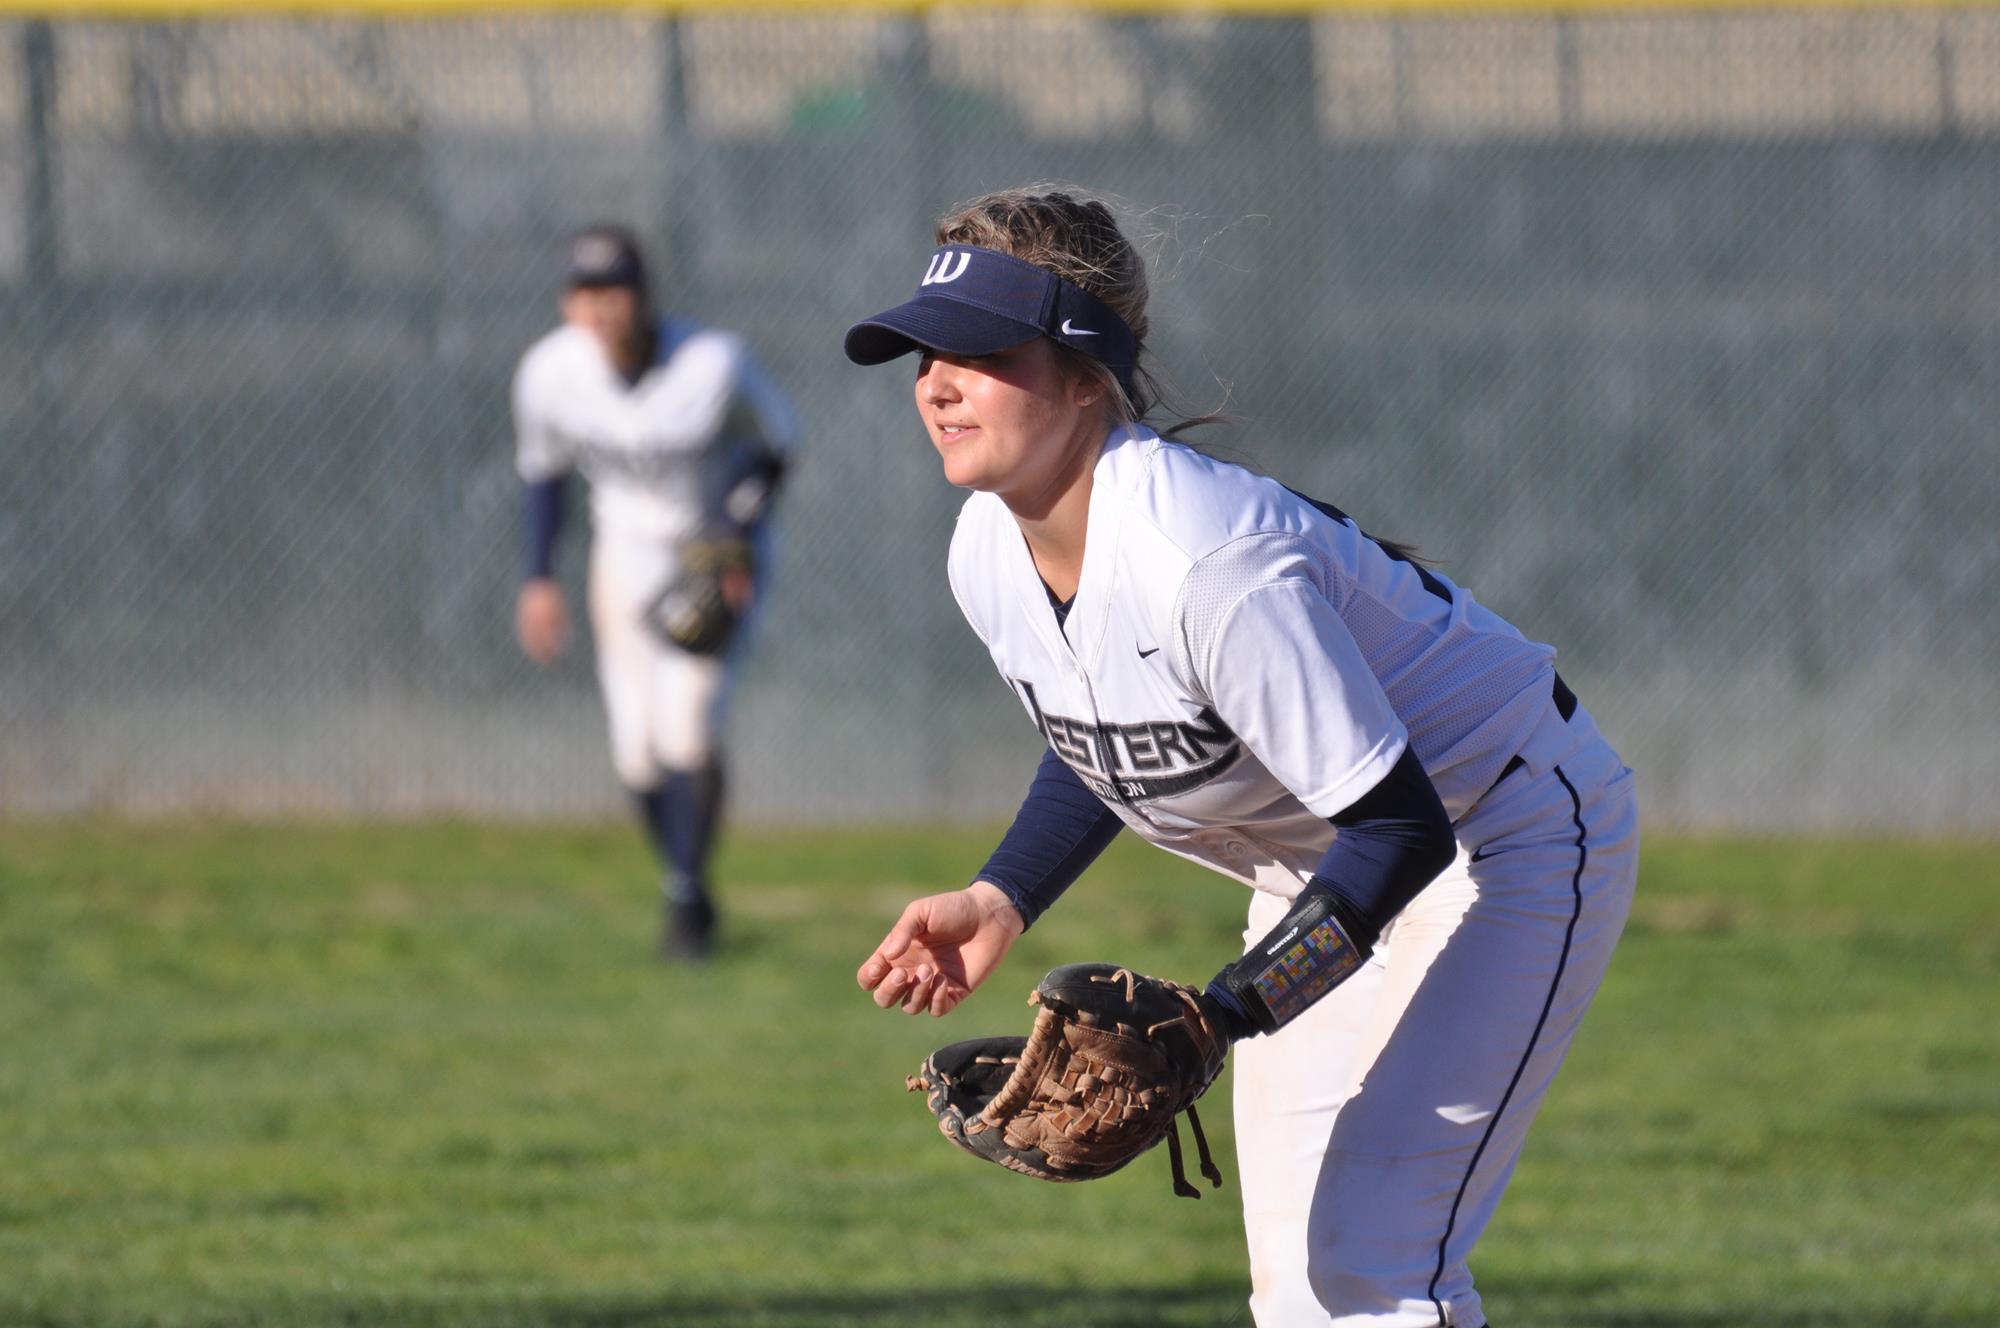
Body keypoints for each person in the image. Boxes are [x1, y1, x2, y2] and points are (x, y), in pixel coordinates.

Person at [844, 187, 1638, 1328]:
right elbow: (1108, 730)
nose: (936, 382)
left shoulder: (1207, 563)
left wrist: (1223, 1013)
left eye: (983, 352)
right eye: (926, 351)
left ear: (1087, 373)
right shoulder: (986, 548)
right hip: (1329, 869)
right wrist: (1001, 894)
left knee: (1369, 1256)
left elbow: (1401, 827)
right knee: (1299, 1288)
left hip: (1497, 839)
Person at [512, 223, 795, 961]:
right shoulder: (549, 371)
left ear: (644, 297)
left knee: (687, 725)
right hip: (624, 555)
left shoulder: (711, 359)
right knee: (637, 753)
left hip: (711, 551)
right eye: (585, 291)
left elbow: (775, 444)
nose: (600, 307)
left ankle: (686, 901)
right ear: (567, 303)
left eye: (614, 290)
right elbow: (543, 476)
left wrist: (734, 533)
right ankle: (687, 884)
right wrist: (539, 578)